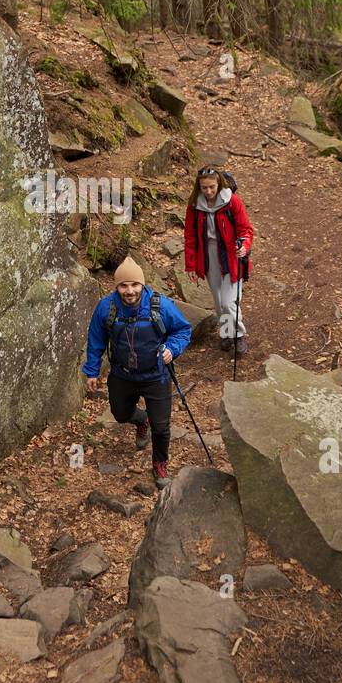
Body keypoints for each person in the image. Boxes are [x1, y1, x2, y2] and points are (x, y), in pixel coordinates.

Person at [82, 256, 192, 487]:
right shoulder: (107, 307)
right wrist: (92, 371)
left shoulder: (161, 306)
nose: (130, 290)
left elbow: (183, 330)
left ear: (142, 285)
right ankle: (142, 420)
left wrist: (172, 349)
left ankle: (160, 464)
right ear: (116, 286)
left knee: (161, 426)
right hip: (122, 375)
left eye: (135, 285)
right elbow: (96, 339)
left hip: (156, 375)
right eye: (124, 285)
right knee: (120, 414)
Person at [184, 165, 254, 355]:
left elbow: (246, 230)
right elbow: (190, 236)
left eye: (212, 187)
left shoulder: (232, 202)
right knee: (218, 300)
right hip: (208, 256)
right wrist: (190, 264)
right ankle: (226, 333)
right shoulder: (194, 206)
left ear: (219, 184)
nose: (208, 191)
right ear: (199, 187)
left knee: (229, 302)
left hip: (231, 254)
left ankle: (238, 336)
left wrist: (244, 246)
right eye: (204, 188)